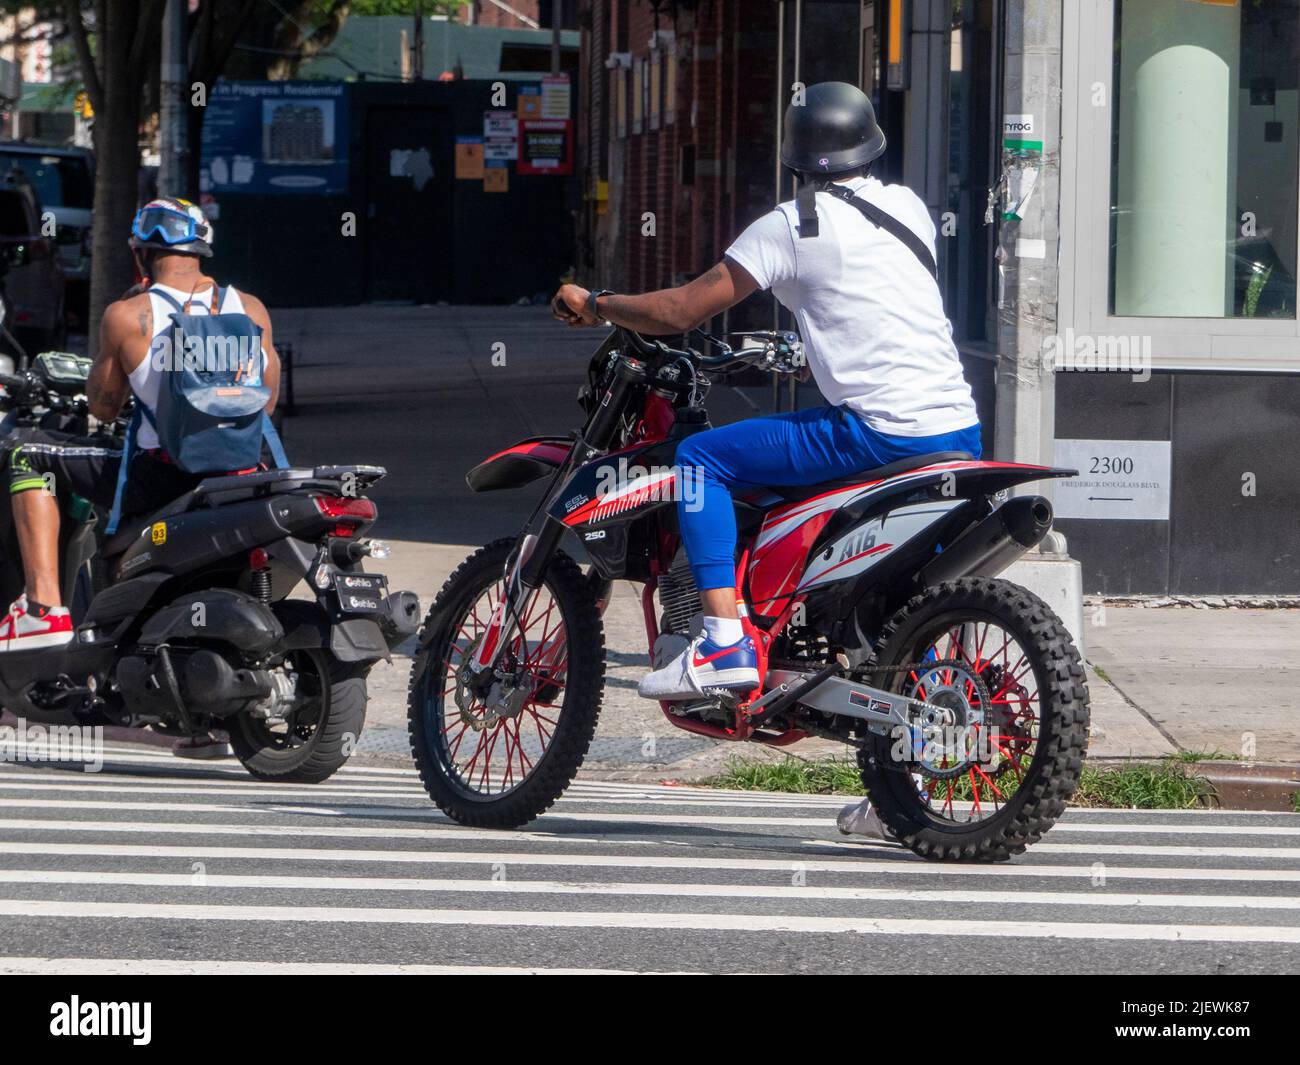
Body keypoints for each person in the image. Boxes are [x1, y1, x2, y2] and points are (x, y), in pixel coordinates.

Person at [551, 82, 981, 703]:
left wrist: (595, 303)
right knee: (910, 599)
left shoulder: (789, 226)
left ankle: (723, 641)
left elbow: (680, 311)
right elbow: (872, 308)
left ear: (793, 155)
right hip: (957, 428)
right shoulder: (909, 208)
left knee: (702, 460)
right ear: (871, 145)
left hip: (879, 431)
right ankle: (898, 794)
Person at [0, 197, 280, 663]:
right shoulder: (251, 309)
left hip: (161, 477)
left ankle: (43, 607)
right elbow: (267, 403)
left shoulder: (129, 316)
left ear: (141, 253)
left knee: (26, 453)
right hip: (245, 474)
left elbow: (104, 408)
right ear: (201, 250)